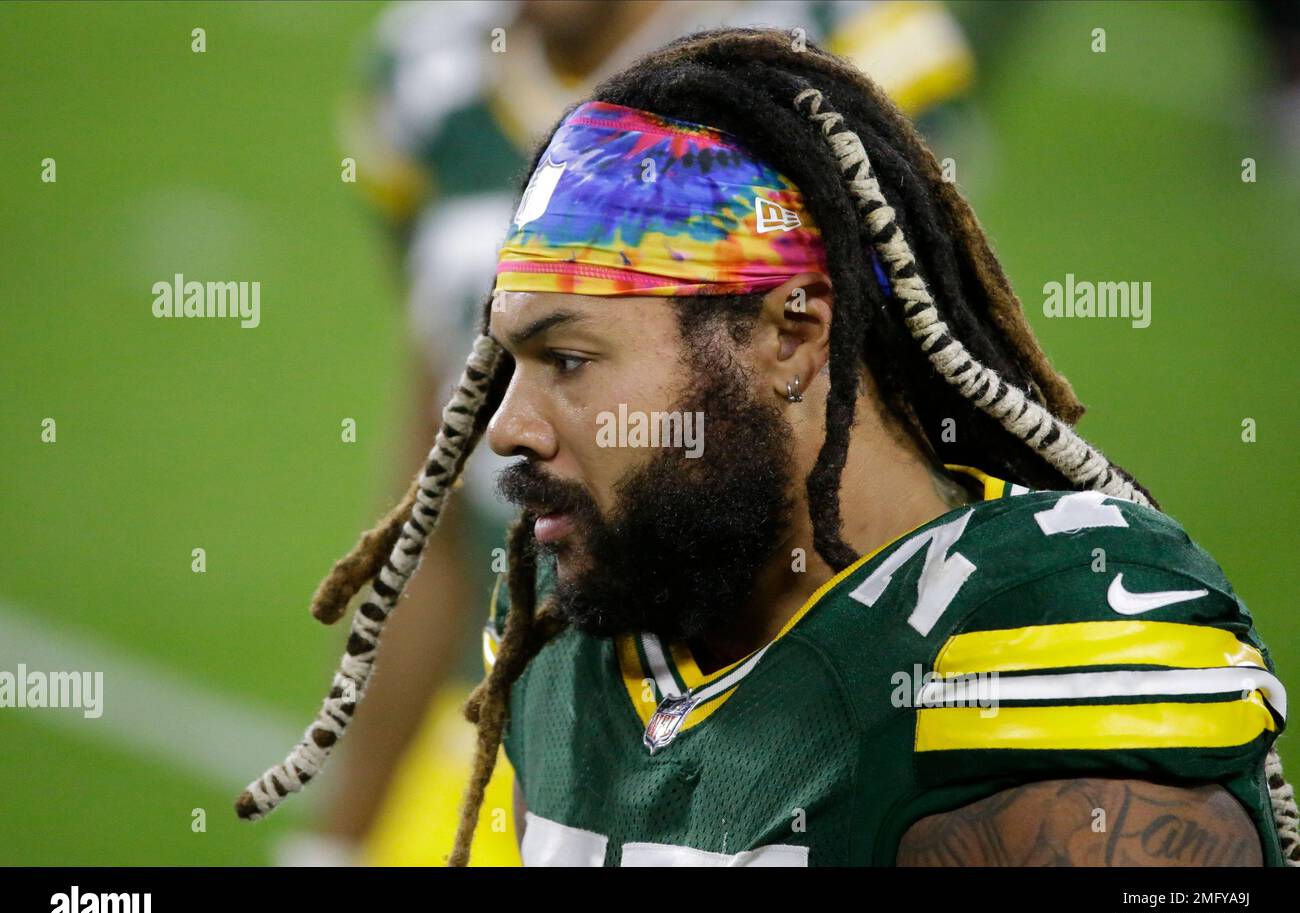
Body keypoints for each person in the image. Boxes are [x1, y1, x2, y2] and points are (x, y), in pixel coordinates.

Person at [242, 26, 1295, 866]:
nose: (505, 428)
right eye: (507, 361)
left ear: (791, 332)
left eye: (568, 358)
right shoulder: (575, 649)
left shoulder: (1040, 657)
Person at [289, 0, 977, 866]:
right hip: (516, 717)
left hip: (783, 715)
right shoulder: (426, 71)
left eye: (572, 359)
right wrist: (339, 841)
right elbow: (439, 474)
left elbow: (918, 393)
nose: (512, 428)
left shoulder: (832, 40)